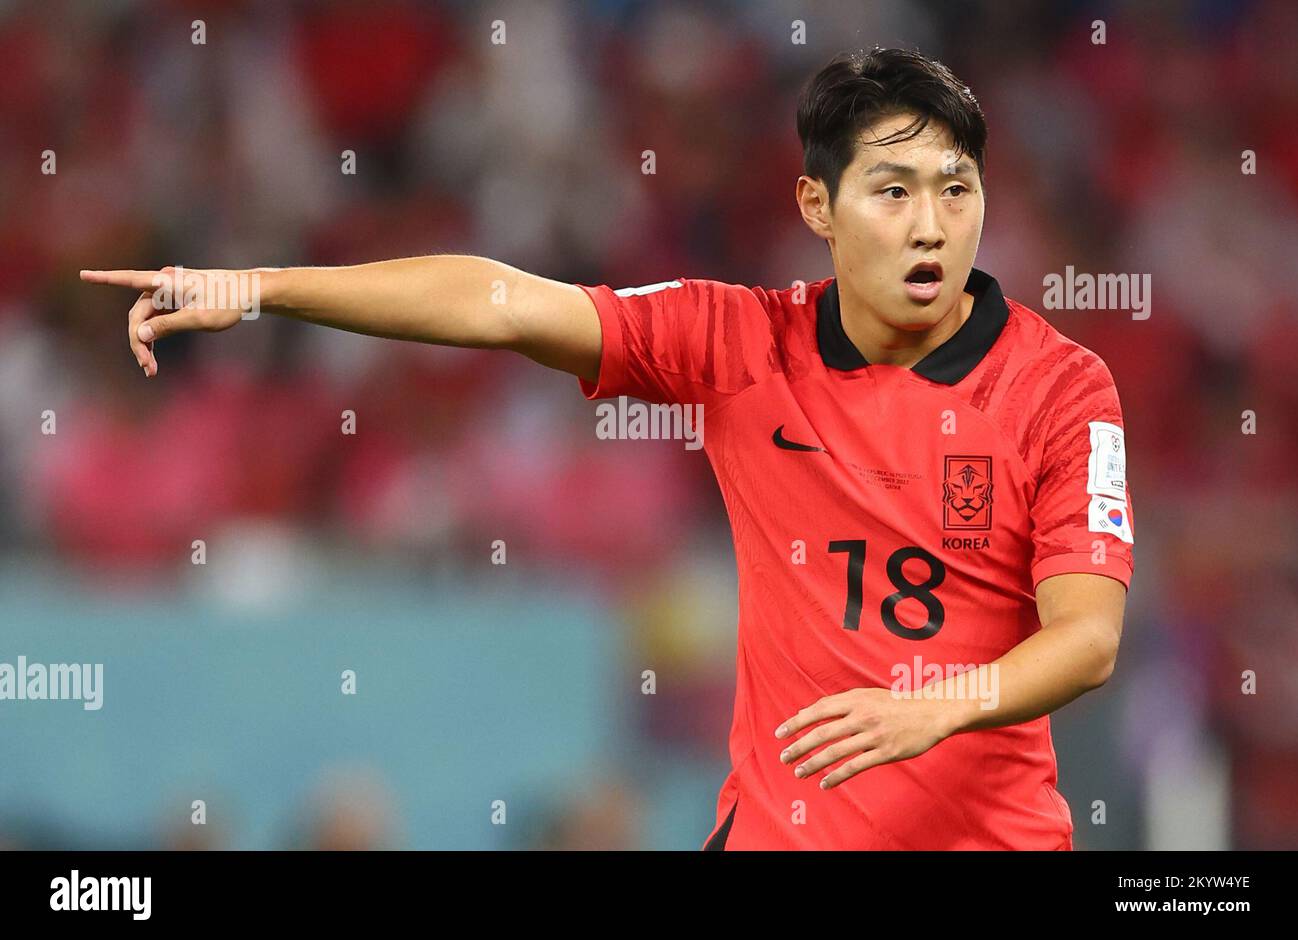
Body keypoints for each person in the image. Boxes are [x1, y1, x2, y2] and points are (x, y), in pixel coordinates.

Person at [81, 47, 1133, 850]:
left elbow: (1085, 640)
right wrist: (262, 288)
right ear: (817, 205)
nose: (931, 224)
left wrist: (934, 704)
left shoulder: (1062, 388)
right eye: (892, 191)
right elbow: (497, 302)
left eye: (956, 188)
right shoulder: (739, 342)